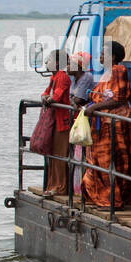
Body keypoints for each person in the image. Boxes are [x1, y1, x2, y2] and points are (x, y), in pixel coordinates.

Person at [82, 41, 131, 208]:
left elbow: (118, 97)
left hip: (114, 125)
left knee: (112, 161)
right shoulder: (105, 73)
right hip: (101, 124)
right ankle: (101, 196)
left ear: (113, 56)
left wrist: (96, 107)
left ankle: (113, 199)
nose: (100, 56)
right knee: (97, 162)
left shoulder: (118, 71)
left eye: (104, 53)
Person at [37, 51, 76, 196]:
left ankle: (60, 187)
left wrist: (48, 98)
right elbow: (45, 93)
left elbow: (56, 97)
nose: (47, 63)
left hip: (63, 122)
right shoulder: (54, 77)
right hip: (55, 121)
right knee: (53, 155)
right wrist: (46, 97)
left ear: (58, 63)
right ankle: (53, 184)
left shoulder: (63, 77)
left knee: (60, 154)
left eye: (49, 60)